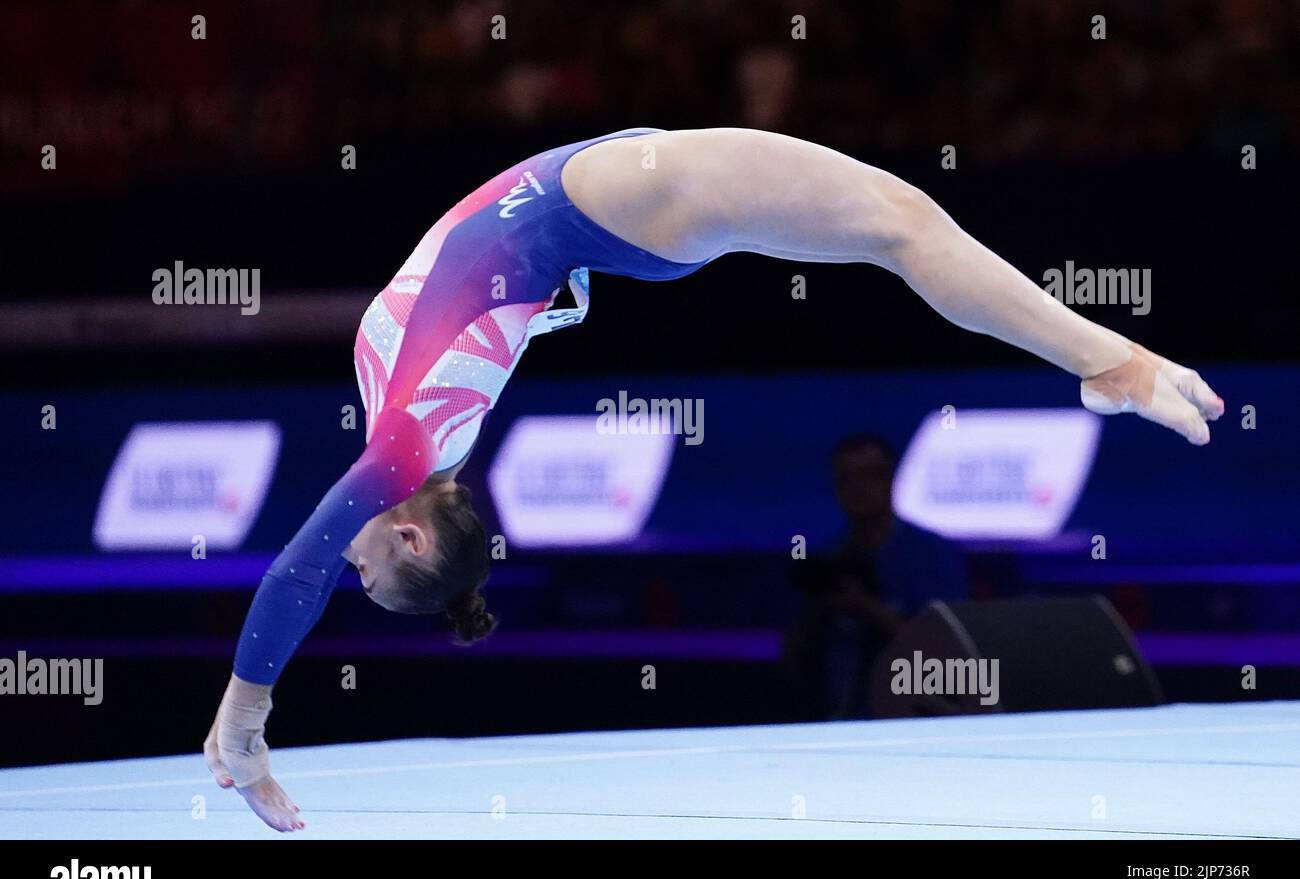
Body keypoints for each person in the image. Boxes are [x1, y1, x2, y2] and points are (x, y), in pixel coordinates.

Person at [203, 127, 1224, 831]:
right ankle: (1111, 362)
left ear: (417, 537)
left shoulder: (406, 456)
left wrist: (243, 722)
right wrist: (245, 724)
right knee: (903, 226)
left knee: (904, 225)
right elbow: (306, 570)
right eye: (364, 578)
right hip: (617, 201)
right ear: (419, 535)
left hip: (603, 201)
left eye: (366, 580)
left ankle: (1108, 362)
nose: (347, 565)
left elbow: (291, 575)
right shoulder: (413, 454)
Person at [785, 434, 967, 719]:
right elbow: (793, 657)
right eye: (848, 478)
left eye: (872, 475)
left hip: (910, 720)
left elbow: (951, 657)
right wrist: (819, 609)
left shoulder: (932, 555)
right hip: (832, 721)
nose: (860, 487)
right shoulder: (828, 559)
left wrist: (867, 608)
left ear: (893, 477)